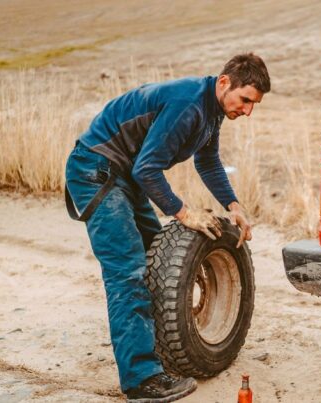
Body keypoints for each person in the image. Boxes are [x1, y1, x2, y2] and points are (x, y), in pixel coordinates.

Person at [64, 53, 270, 402]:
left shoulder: (211, 109)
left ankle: (156, 354)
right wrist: (183, 213)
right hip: (96, 170)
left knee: (155, 261)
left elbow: (207, 162)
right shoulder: (188, 103)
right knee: (128, 272)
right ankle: (141, 381)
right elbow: (148, 169)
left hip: (124, 175)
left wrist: (234, 206)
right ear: (224, 83)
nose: (248, 110)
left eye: (254, 104)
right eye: (246, 99)